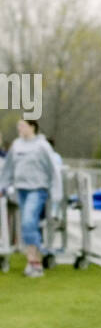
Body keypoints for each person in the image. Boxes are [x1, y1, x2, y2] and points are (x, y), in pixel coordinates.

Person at [0, 118, 63, 277]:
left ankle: (35, 263)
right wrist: (3, 186)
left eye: (22, 125)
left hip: (38, 189)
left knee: (28, 221)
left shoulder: (42, 146)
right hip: (21, 190)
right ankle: (33, 262)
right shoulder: (17, 145)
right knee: (27, 226)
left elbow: (53, 169)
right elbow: (8, 168)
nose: (19, 128)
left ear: (32, 127)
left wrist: (56, 193)